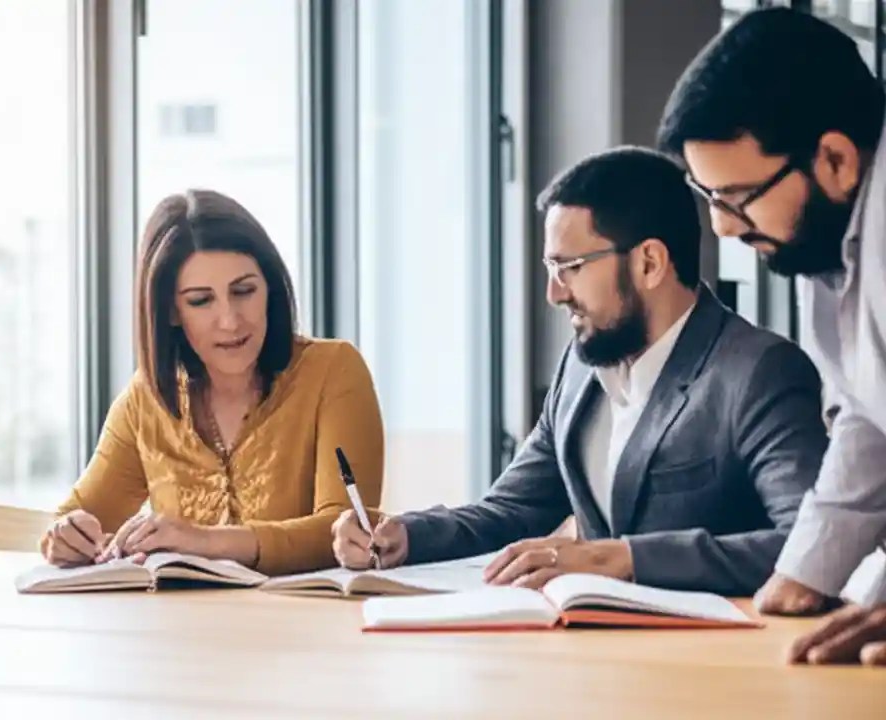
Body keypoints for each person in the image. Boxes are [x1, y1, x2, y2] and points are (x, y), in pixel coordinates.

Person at [332, 147, 828, 596]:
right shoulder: (580, 364)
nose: (554, 293)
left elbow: (811, 544)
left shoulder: (760, 371)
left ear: (650, 263)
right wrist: (404, 535)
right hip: (588, 652)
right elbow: (514, 509)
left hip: (721, 665)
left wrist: (625, 558)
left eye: (569, 267)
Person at [656, 7, 886, 665]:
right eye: (710, 199)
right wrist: (804, 575)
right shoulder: (825, 245)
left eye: (737, 196)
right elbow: (869, 424)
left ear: (834, 157)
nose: (723, 229)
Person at [41, 189, 384, 576]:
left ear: (269, 288)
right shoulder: (146, 399)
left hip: (306, 627)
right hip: (183, 629)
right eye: (201, 300)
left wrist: (205, 541)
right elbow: (74, 515)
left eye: (244, 291)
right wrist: (65, 536)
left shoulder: (332, 370)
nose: (230, 320)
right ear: (170, 310)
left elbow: (345, 531)